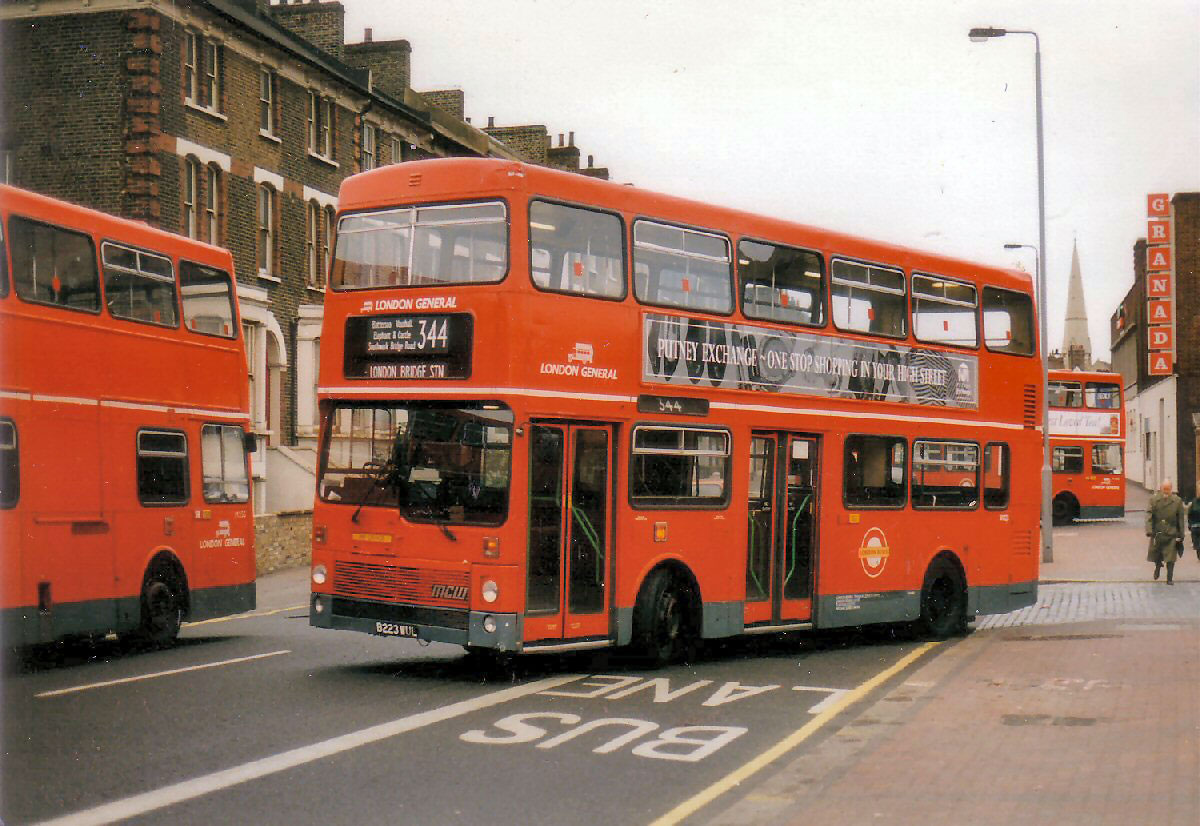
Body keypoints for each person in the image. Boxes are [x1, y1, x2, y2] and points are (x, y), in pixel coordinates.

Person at [1145, 479, 1186, 584]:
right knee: (1157, 554)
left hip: (1171, 533)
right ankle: (1158, 567)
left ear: (1171, 489)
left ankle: (1169, 578)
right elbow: (1149, 515)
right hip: (1158, 532)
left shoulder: (1177, 501)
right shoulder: (1154, 500)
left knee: (1171, 557)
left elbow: (1180, 518)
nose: (1166, 491)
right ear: (1161, 489)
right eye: (1164, 489)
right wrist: (1149, 530)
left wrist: (1181, 534)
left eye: (1168, 489)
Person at [1189, 494, 1200, 559]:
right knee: (1197, 544)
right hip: (1195, 526)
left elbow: (1189, 514)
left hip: (1194, 526)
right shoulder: (1194, 502)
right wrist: (1190, 524)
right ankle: (1199, 555)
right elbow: (1190, 514)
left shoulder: (1194, 502)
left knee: (1197, 544)